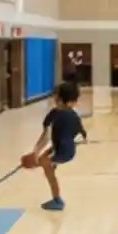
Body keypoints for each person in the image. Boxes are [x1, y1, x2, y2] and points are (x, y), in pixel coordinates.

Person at [28, 82, 88, 211]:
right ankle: (49, 167)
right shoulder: (74, 115)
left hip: (61, 150)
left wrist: (35, 151)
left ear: (58, 99)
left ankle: (57, 199)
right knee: (45, 161)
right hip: (69, 150)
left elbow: (45, 137)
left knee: (44, 163)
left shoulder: (54, 114)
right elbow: (82, 134)